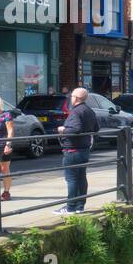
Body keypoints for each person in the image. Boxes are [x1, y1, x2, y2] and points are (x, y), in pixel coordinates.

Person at [57, 87, 98, 215]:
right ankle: (80, 206)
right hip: (84, 149)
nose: (70, 98)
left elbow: (76, 129)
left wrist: (63, 130)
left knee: (72, 179)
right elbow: (96, 128)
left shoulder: (75, 112)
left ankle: (70, 207)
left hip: (73, 150)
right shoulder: (89, 111)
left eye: (71, 96)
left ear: (76, 98)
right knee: (81, 177)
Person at [0, 96, 16, 200]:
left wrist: (8, 144)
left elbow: (10, 130)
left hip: (2, 145)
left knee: (4, 169)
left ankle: (6, 192)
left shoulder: (6, 115)